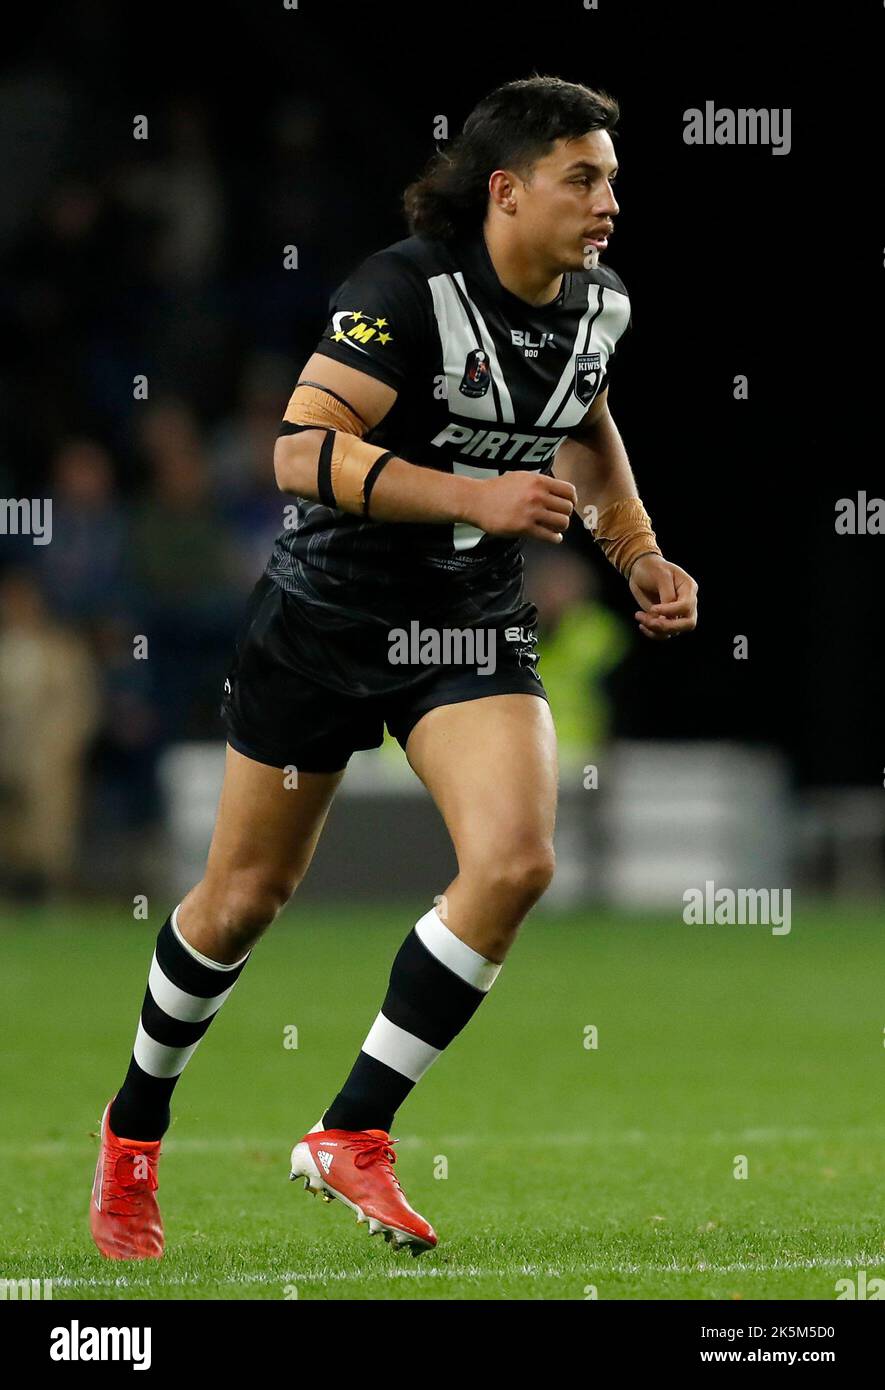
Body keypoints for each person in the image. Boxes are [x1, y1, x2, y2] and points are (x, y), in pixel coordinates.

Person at [90, 75, 698, 1261]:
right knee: (239, 904)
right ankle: (134, 1127)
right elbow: (300, 448)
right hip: (323, 621)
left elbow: (587, 424)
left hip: (467, 625)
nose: (608, 199)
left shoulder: (600, 305)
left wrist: (640, 552)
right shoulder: (402, 291)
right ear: (508, 189)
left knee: (517, 862)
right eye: (585, 177)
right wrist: (476, 492)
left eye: (613, 178)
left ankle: (352, 1130)